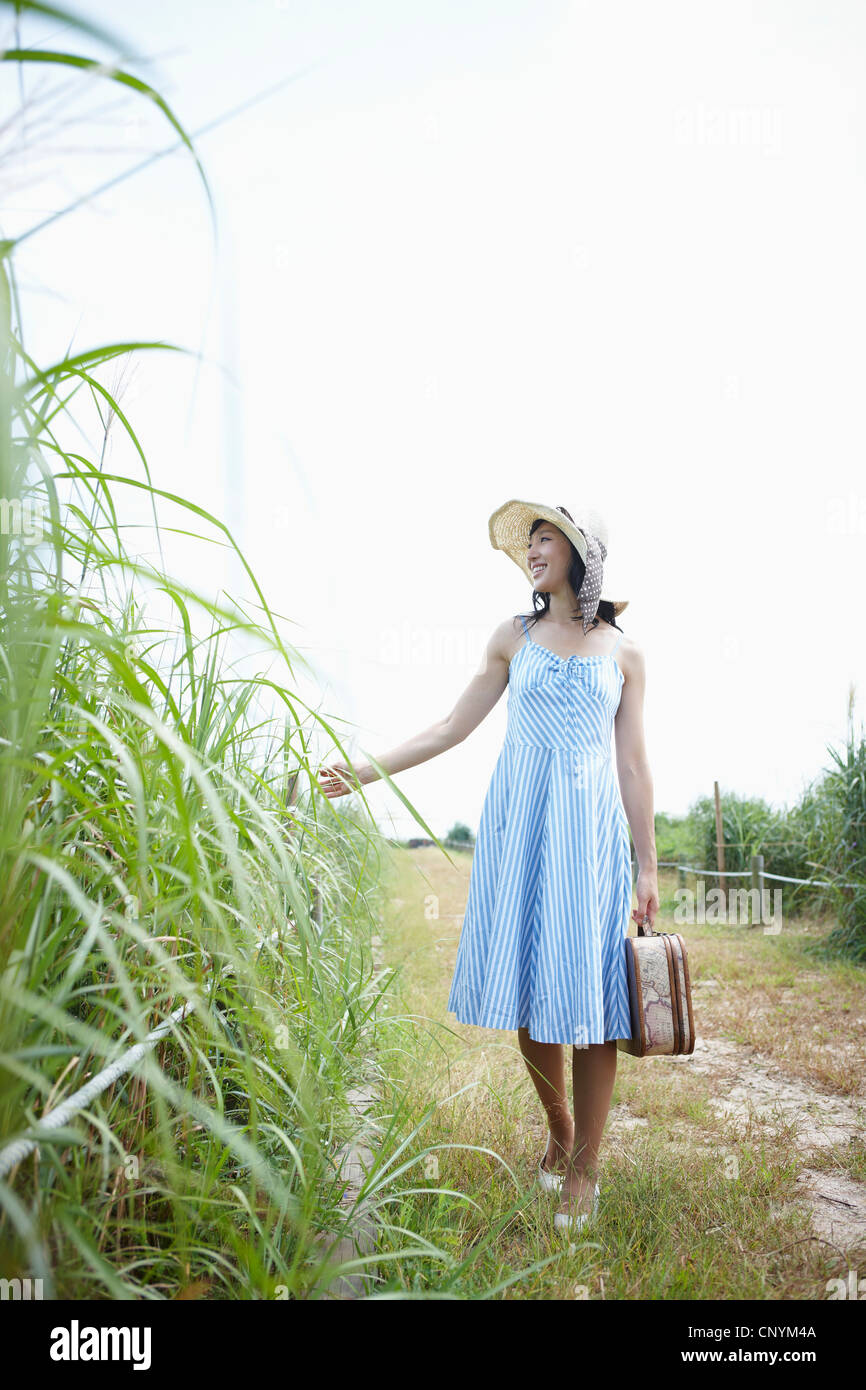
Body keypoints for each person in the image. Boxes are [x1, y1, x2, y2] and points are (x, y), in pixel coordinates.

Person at [317, 499, 659, 1233]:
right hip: (520, 827)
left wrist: (649, 867)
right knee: (534, 988)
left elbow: (632, 764)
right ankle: (560, 1126)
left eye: (545, 540)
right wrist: (364, 770)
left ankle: (587, 1168)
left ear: (578, 551)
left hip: (591, 834)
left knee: (596, 995)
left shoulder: (625, 653)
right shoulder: (513, 637)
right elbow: (450, 726)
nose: (532, 552)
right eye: (529, 542)